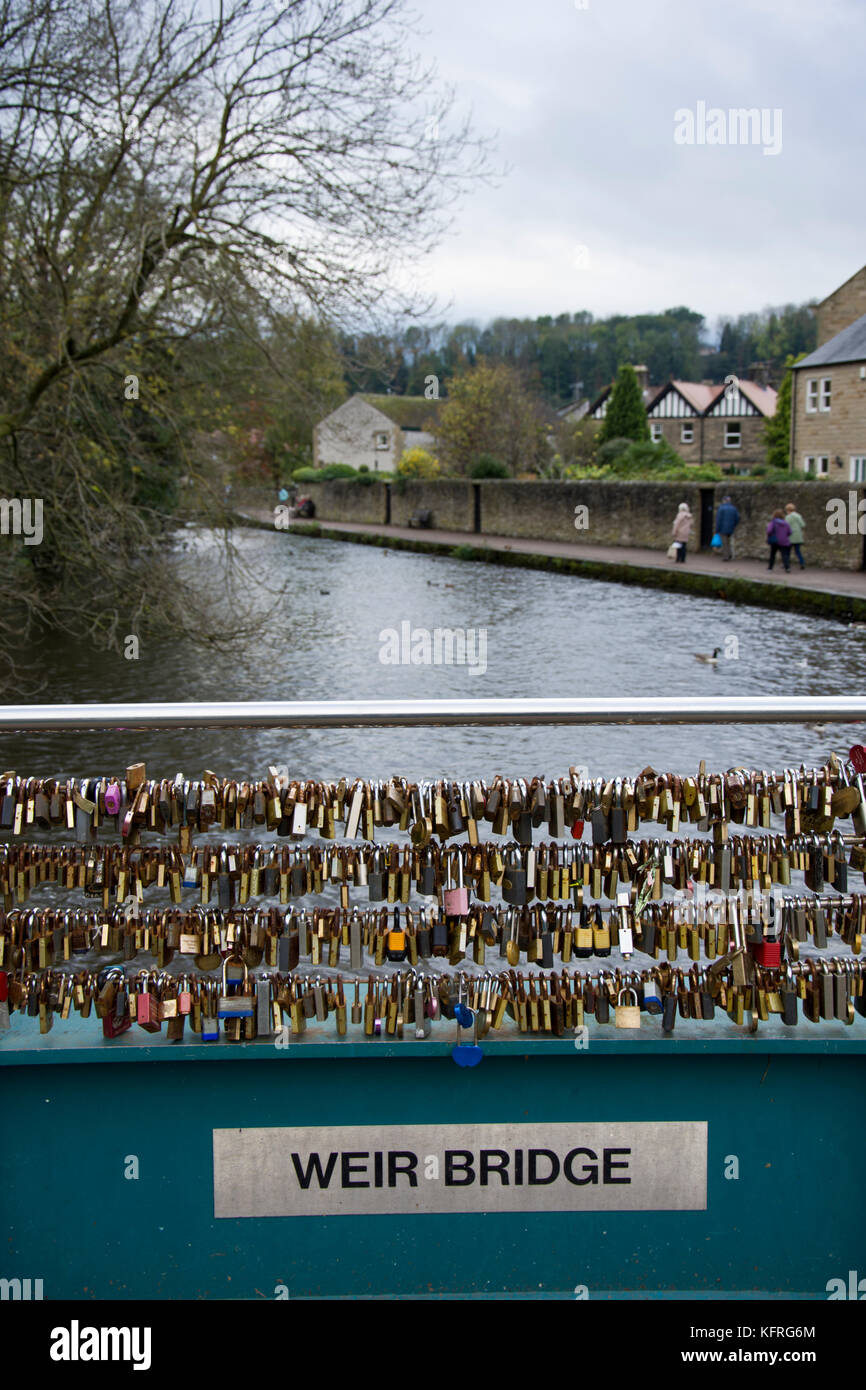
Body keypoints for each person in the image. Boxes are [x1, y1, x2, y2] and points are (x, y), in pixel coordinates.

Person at [714, 494, 740, 561]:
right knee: (729, 542)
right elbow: (737, 518)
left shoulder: (721, 508)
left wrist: (717, 529)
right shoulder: (733, 508)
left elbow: (718, 520)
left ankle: (726, 557)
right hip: (731, 528)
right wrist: (734, 525)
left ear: (724, 501)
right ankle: (730, 554)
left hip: (723, 528)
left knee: (724, 543)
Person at [785, 502, 806, 569]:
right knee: (798, 551)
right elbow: (803, 525)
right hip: (798, 536)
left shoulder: (787, 517)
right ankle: (802, 563)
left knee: (787, 551)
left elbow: (786, 526)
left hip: (790, 536)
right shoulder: (798, 516)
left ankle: (787, 564)